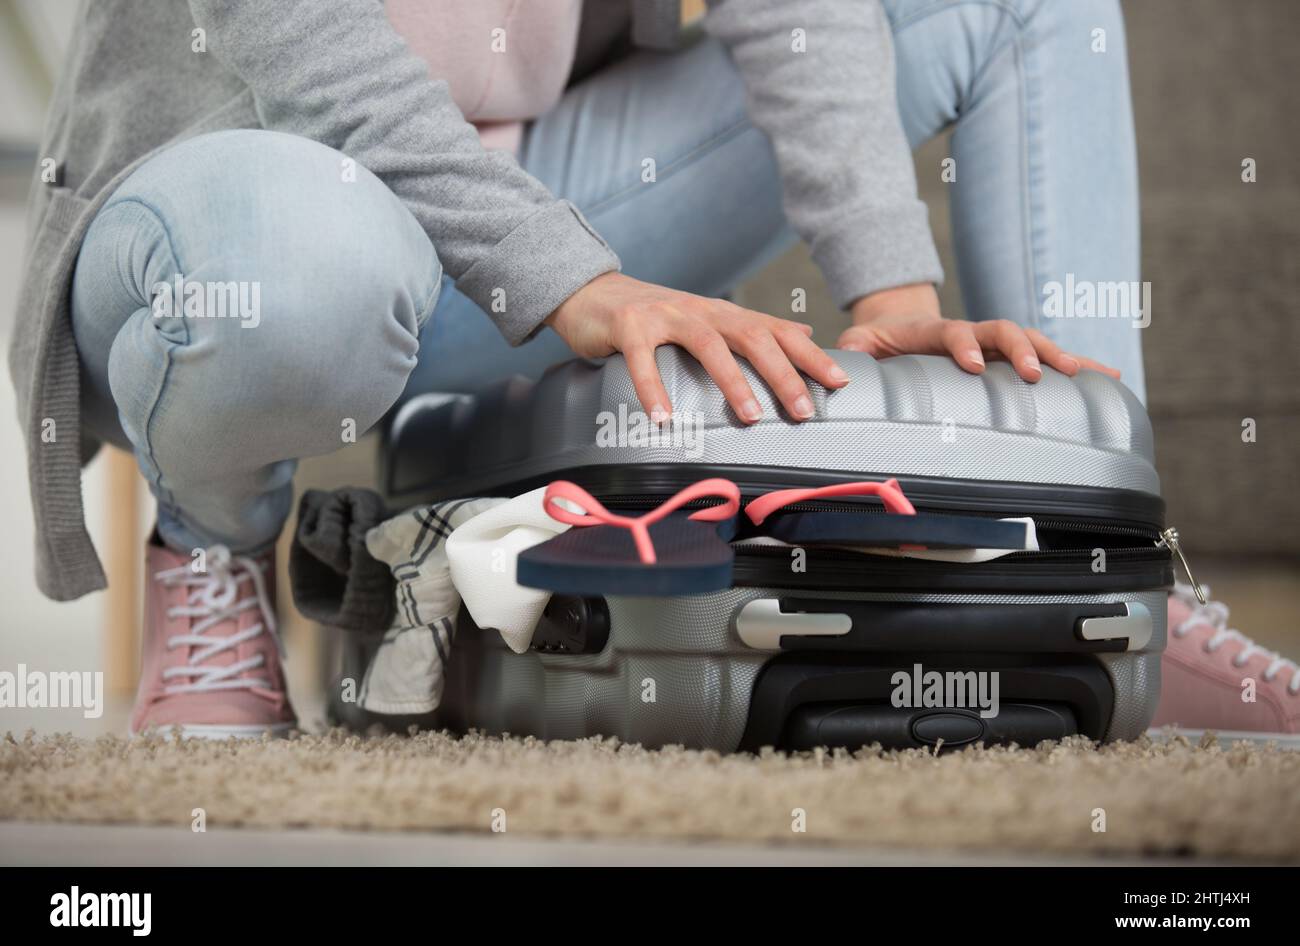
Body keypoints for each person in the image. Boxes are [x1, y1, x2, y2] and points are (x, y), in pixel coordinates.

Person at [11, 0, 1293, 739]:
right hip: (230, 212)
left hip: (526, 198)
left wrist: (891, 292)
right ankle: (208, 549)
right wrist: (568, 275)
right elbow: (290, 30)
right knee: (299, 258)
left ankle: (1115, 578)